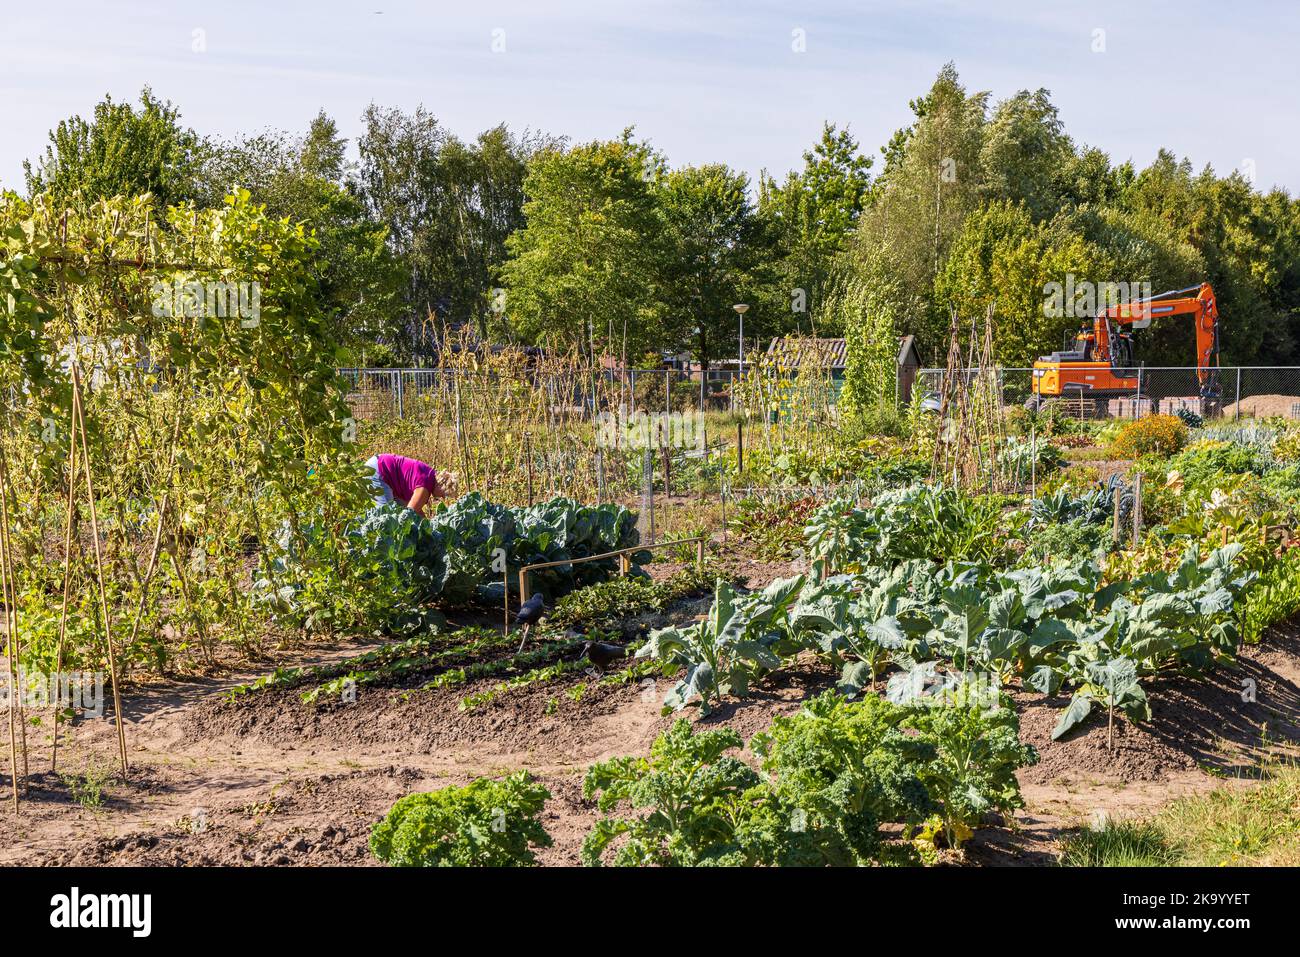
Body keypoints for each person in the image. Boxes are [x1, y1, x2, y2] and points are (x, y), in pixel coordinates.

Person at [364, 453, 450, 516]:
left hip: (378, 466)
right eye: (444, 494)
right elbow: (409, 513)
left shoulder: (429, 476)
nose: (443, 497)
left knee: (396, 513)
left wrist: (427, 527)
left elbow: (414, 508)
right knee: (386, 517)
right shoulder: (424, 487)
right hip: (378, 471)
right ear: (441, 486)